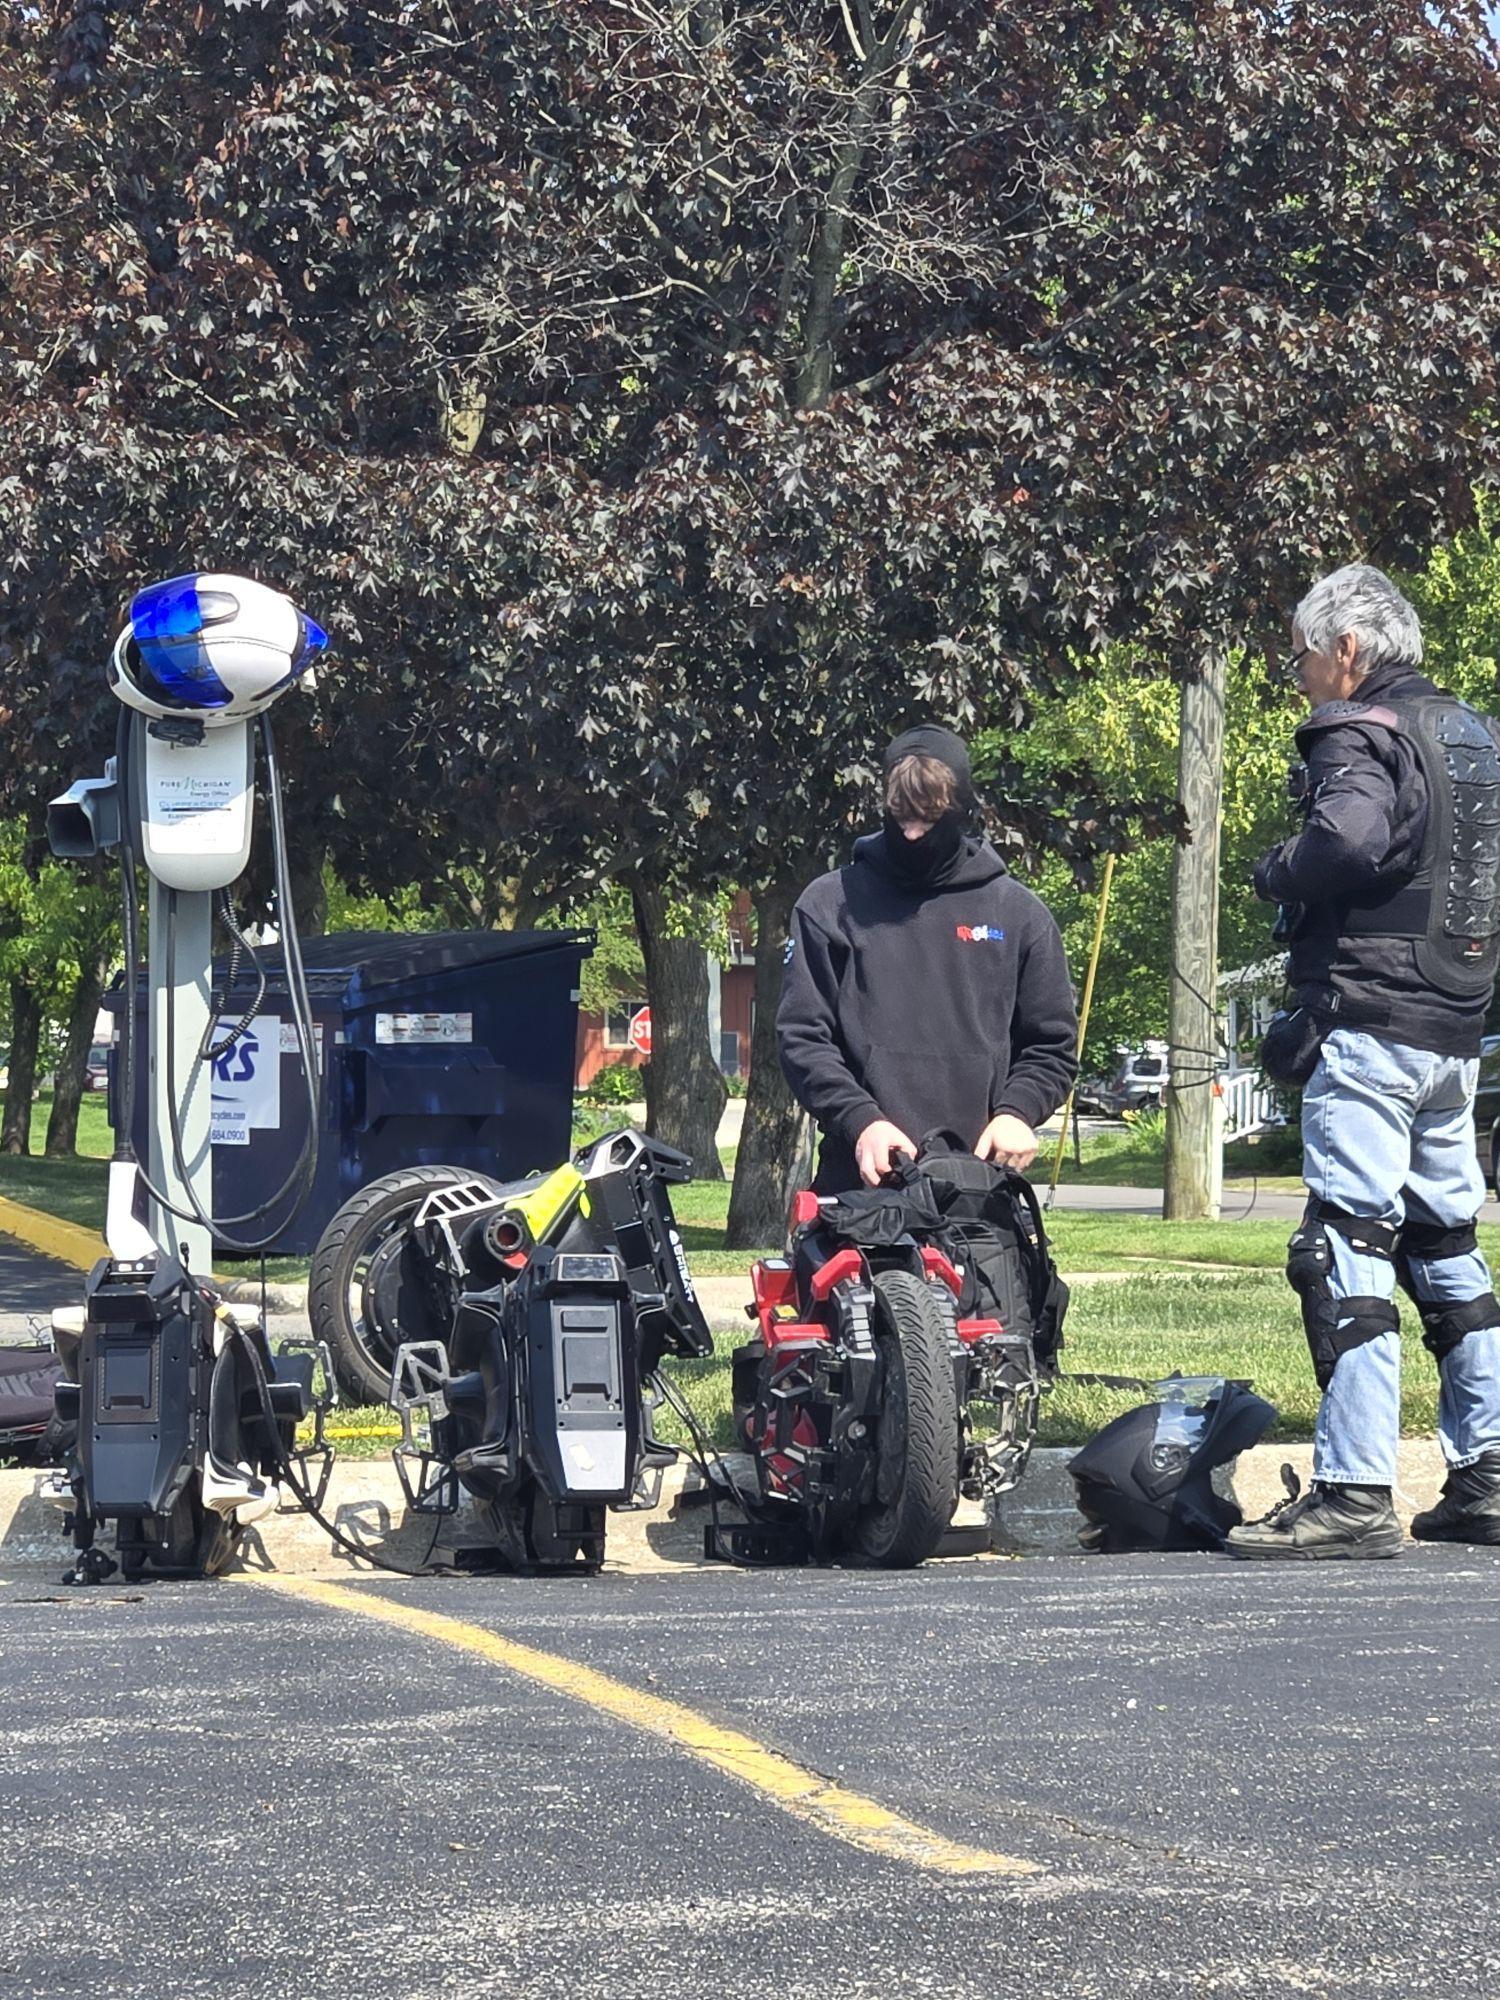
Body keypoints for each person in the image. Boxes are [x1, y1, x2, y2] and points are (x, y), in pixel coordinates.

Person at [1229, 565, 1500, 1560]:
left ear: (1347, 649)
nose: (1301, 675)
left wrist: (1277, 870)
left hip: (1372, 1023)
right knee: (1448, 1245)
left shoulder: (1358, 729)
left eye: (1304, 655)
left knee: (1346, 1243)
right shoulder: (1472, 735)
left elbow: (1344, 838)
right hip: (1454, 1028)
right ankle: (1487, 1477)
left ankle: (1353, 1490)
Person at [777, 724, 1078, 1194]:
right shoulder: (830, 904)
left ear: (963, 810)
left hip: (979, 1187)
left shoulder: (1019, 915)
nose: (913, 833)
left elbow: (1051, 1045)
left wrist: (1018, 1111)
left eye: (929, 818)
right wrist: (860, 1119)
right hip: (861, 1181)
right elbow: (802, 1037)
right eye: (901, 817)